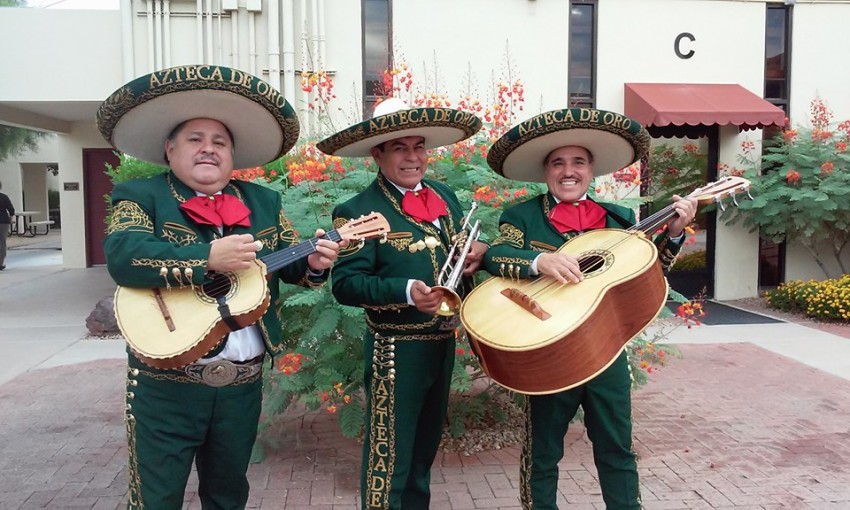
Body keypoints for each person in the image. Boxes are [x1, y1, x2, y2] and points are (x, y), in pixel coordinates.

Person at [97, 65, 343, 509]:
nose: (208, 149)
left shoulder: (263, 202)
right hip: (166, 384)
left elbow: (293, 266)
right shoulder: (141, 196)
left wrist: (316, 262)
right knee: (157, 499)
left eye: (220, 142)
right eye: (195, 139)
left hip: (241, 386)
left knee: (229, 496)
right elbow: (123, 255)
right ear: (169, 150)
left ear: (232, 155)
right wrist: (204, 260)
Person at [483, 108, 697, 509]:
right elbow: (496, 256)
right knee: (542, 454)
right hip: (548, 352)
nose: (568, 171)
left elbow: (650, 272)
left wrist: (674, 232)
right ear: (546, 171)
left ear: (591, 169)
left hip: (606, 351)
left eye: (577, 162)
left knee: (618, 449)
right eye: (558, 163)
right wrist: (537, 262)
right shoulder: (522, 216)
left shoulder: (621, 219)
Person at [316, 98, 489, 509]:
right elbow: (346, 285)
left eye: (418, 147)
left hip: (442, 343)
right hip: (396, 350)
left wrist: (475, 252)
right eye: (399, 148)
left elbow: (458, 252)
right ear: (377, 154)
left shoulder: (444, 195)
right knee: (388, 460)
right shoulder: (355, 210)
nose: (413, 157)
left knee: (423, 456)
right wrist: (407, 289)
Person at [0, 180, 14, 270]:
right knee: (2, 242)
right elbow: (11, 210)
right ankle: (0, 262)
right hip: (3, 222)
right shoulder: (4, 197)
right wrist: (11, 219)